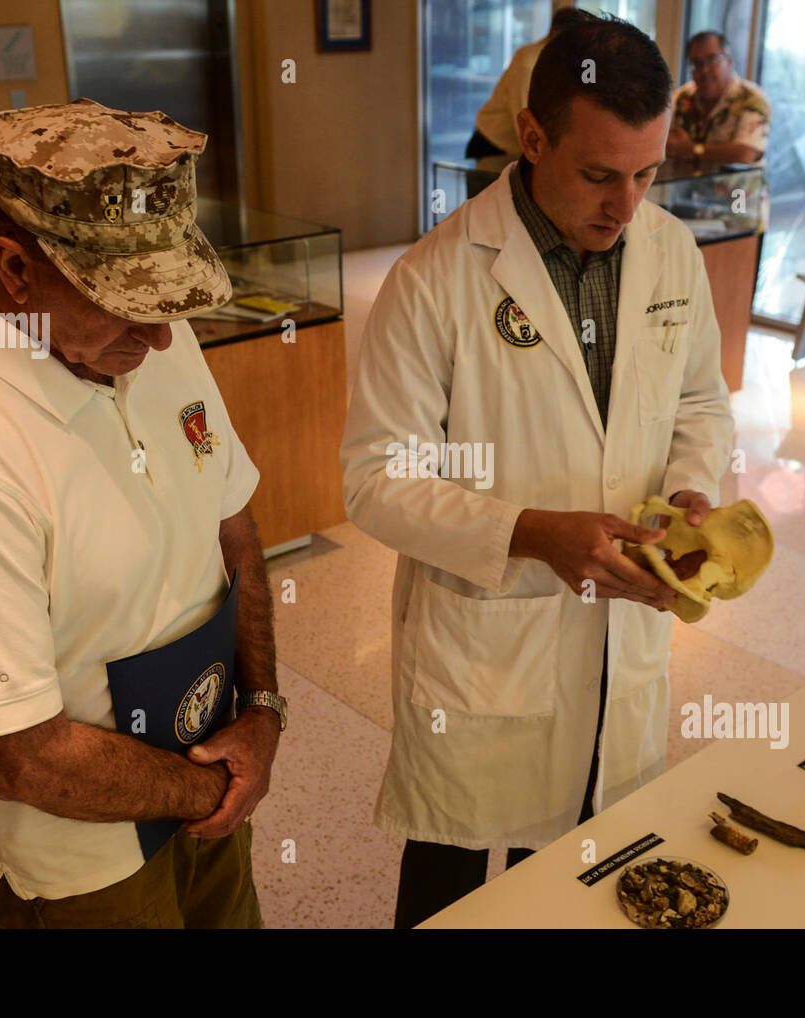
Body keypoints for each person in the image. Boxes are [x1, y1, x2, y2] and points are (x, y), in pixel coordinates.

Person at [0, 98, 287, 929]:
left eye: (171, 302)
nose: (161, 341)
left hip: (215, 782)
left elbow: (231, 520)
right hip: (85, 864)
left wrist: (262, 713)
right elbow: (20, 758)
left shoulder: (142, 327)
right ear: (17, 270)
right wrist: (215, 786)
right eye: (126, 302)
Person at [342, 12, 734, 929]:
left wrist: (689, 490)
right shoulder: (436, 278)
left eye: (646, 174)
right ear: (531, 136)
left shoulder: (670, 251)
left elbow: (701, 406)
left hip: (620, 637)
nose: (625, 205)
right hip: (486, 647)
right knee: (449, 880)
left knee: (574, 878)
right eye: (599, 174)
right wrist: (531, 533)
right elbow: (374, 478)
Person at [465, 6, 594, 159]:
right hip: (493, 148)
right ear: (555, 33)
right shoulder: (529, 61)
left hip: (520, 149)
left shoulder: (563, 60)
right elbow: (524, 117)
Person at [666, 30, 770, 164]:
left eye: (712, 59)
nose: (704, 70)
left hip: (740, 185)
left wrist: (691, 149)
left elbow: (745, 155)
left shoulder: (752, 98)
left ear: (729, 61)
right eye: (696, 63)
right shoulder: (682, 96)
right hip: (688, 184)